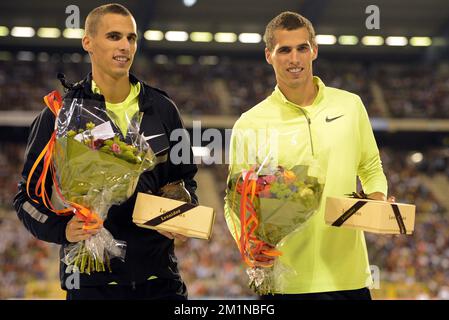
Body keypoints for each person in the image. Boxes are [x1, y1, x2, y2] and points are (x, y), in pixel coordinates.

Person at [13, 3, 198, 300]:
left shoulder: (163, 109)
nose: (125, 46)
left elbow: (184, 180)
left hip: (160, 281)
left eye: (131, 38)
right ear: (88, 42)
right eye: (114, 37)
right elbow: (26, 198)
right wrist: (63, 229)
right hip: (90, 287)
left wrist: (178, 215)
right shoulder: (60, 113)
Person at [224, 11, 394, 300]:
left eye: (302, 48)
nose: (294, 59)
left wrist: (376, 199)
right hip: (285, 282)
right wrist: (250, 244)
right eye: (284, 50)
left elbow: (370, 164)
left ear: (314, 50)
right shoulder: (250, 123)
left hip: (349, 279)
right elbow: (235, 201)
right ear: (269, 55)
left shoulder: (351, 106)